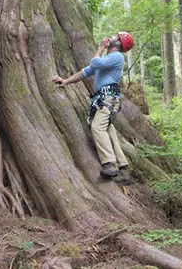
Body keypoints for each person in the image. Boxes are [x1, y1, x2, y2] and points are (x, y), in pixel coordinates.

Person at [52, 32, 134, 180]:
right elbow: (86, 71)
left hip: (108, 99)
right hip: (104, 99)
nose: (112, 36)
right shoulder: (108, 60)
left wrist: (100, 47)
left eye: (116, 36)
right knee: (108, 130)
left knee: (97, 127)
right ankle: (123, 166)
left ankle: (109, 164)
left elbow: (95, 63)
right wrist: (66, 81)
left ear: (119, 43)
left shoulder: (117, 57)